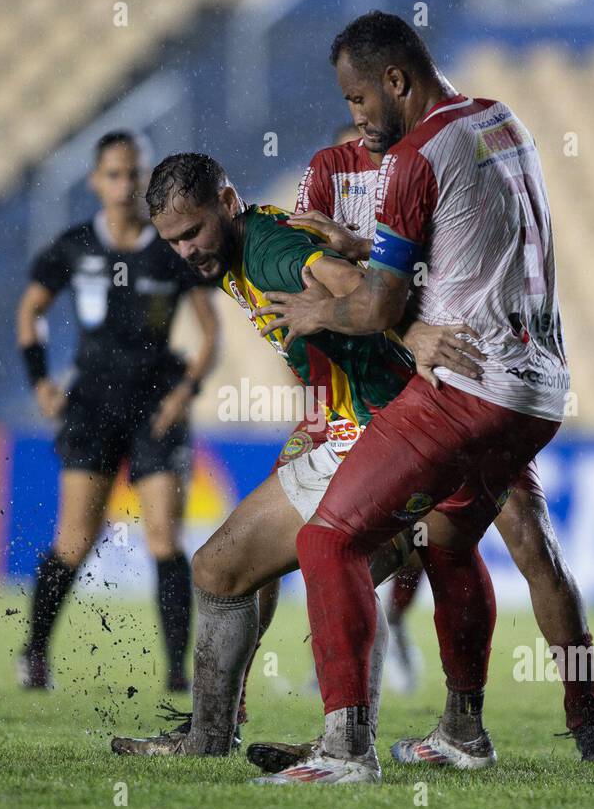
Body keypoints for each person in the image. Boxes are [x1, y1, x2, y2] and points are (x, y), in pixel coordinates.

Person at [252, 12, 594, 783]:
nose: (355, 118)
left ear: (397, 80)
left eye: (358, 99)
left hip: (465, 386)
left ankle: (343, 751)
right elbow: (469, 239)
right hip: (538, 391)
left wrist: (323, 307)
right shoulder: (499, 119)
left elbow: (381, 309)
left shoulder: (415, 157)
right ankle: (467, 732)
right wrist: (366, 250)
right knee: (451, 543)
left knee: (329, 541)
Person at [109, 152, 496, 770]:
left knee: (216, 570)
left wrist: (417, 336)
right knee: (348, 573)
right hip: (383, 428)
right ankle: (354, 740)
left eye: (193, 233)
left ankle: (217, 737)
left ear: (229, 203)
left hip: (377, 434)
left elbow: (358, 291)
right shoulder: (248, 242)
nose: (185, 251)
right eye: (173, 241)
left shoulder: (266, 252)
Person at [16, 131, 219, 693]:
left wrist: (186, 392)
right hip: (92, 407)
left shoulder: (170, 246)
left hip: (156, 406)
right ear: (95, 181)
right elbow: (29, 312)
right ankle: (34, 655)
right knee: (74, 540)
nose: (125, 185)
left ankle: (179, 674)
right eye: (114, 174)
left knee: (163, 538)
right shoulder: (74, 246)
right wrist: (40, 382)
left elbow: (209, 332)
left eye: (135, 174)